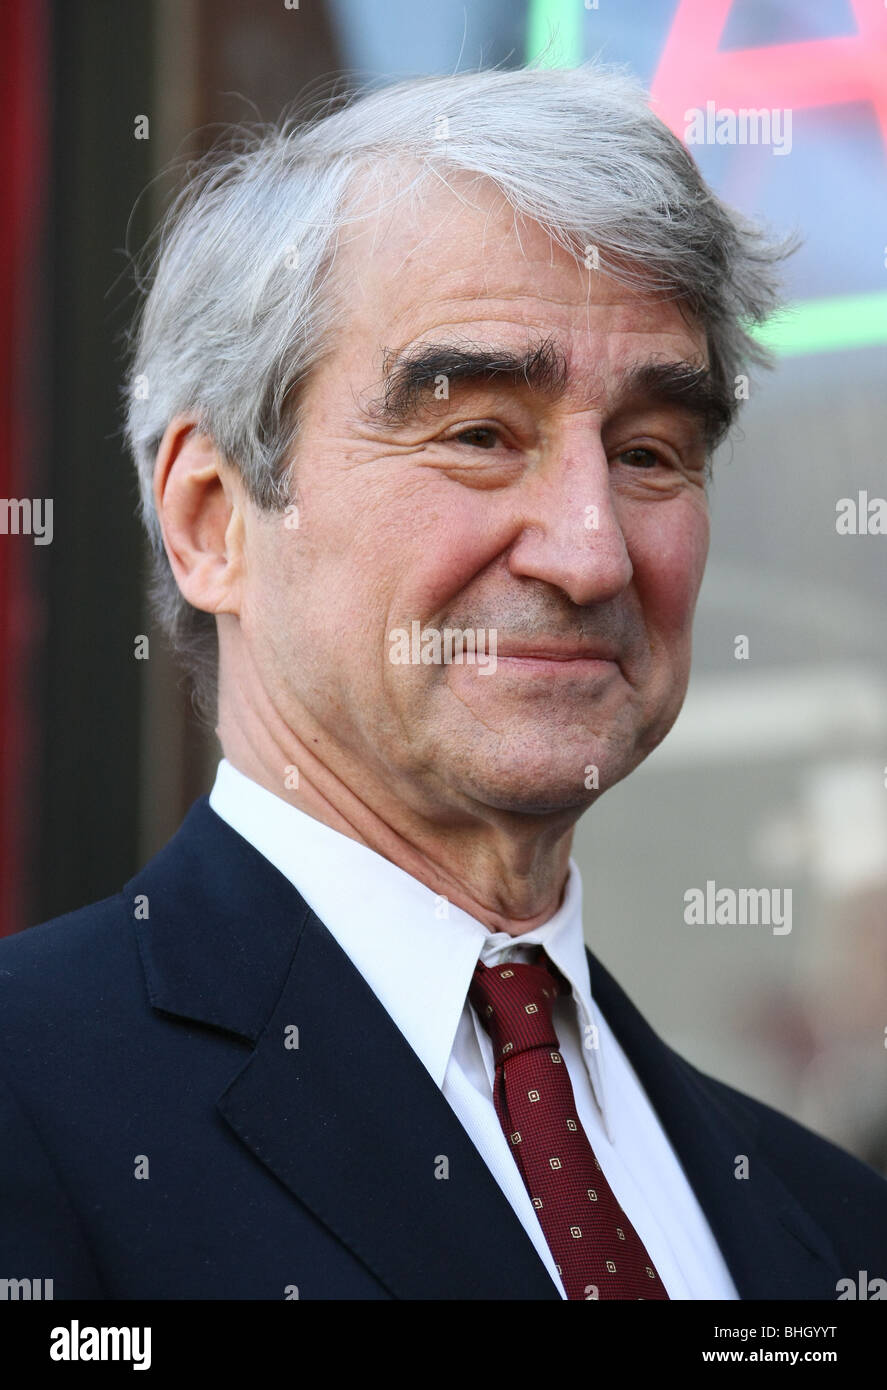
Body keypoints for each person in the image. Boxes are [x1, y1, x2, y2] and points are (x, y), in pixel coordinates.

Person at [1, 62, 885, 1301]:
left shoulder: (828, 1222)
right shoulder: (31, 1104)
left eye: (646, 452)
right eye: (478, 434)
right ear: (213, 519)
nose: (588, 549)